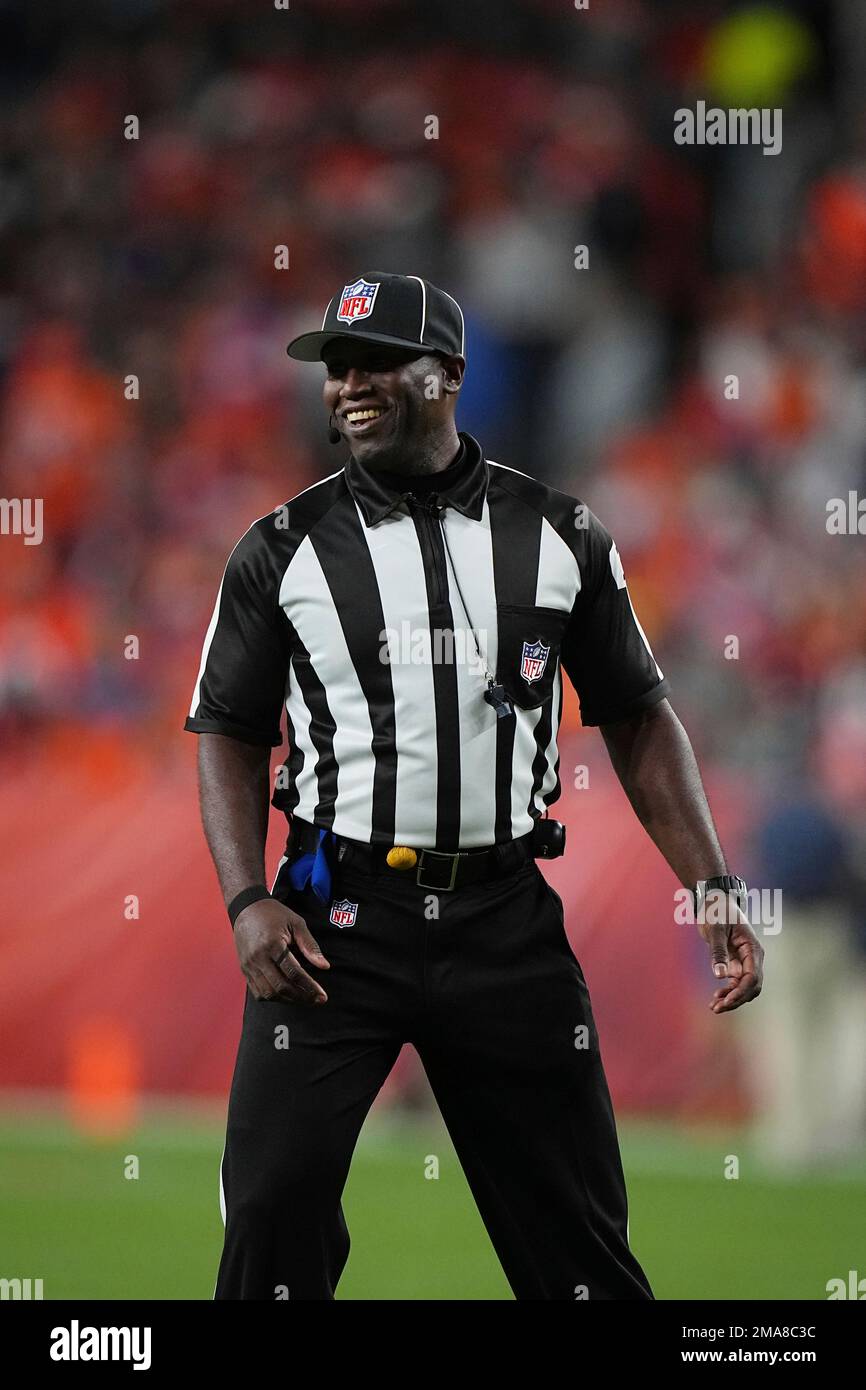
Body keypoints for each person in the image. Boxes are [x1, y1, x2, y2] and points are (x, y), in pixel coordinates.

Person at [185, 271, 764, 1300]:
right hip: (330, 917)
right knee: (273, 1205)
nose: (347, 384)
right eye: (335, 367)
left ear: (446, 374)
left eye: (373, 363)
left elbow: (635, 712)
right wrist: (245, 898)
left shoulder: (562, 535)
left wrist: (709, 883)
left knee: (575, 1243)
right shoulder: (280, 548)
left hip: (502, 917)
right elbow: (225, 729)